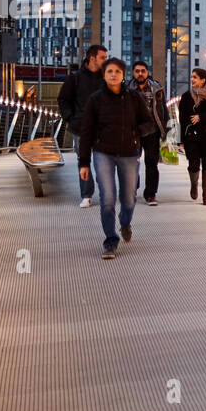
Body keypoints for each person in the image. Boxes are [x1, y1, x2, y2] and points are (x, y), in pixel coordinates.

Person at [77, 57, 153, 259]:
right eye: (109, 71)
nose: (113, 74)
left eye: (117, 71)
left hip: (129, 153)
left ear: (123, 75)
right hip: (103, 153)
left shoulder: (133, 98)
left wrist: (135, 133)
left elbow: (148, 122)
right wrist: (83, 162)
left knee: (128, 199)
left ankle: (125, 222)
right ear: (104, 75)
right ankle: (110, 241)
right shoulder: (95, 100)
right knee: (107, 198)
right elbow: (86, 132)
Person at [58, 44, 107, 207]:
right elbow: (63, 99)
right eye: (103, 58)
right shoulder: (75, 78)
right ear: (92, 58)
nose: (105, 61)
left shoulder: (106, 78)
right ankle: (86, 194)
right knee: (83, 160)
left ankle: (106, 193)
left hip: (103, 128)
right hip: (81, 127)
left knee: (103, 161)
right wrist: (70, 118)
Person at [178, 68, 206, 205]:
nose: (192, 79)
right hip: (191, 135)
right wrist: (181, 139)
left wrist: (201, 117)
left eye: (195, 77)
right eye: (191, 77)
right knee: (193, 164)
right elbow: (182, 119)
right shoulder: (186, 96)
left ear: (203, 80)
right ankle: (194, 184)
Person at [130, 61, 168, 205]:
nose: (140, 74)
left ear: (147, 72)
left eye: (143, 71)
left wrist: (166, 129)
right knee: (132, 162)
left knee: (151, 163)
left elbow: (163, 108)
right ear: (133, 73)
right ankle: (132, 189)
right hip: (135, 131)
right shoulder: (127, 89)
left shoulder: (156, 88)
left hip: (153, 130)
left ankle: (150, 194)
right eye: (137, 71)